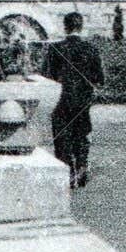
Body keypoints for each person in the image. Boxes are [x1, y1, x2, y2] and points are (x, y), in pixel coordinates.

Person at [43, 12, 105, 188]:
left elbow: (47, 76)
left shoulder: (55, 49)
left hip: (60, 99)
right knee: (82, 134)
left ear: (65, 26)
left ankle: (67, 173)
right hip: (82, 101)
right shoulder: (91, 49)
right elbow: (99, 78)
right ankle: (82, 169)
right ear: (81, 26)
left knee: (62, 137)